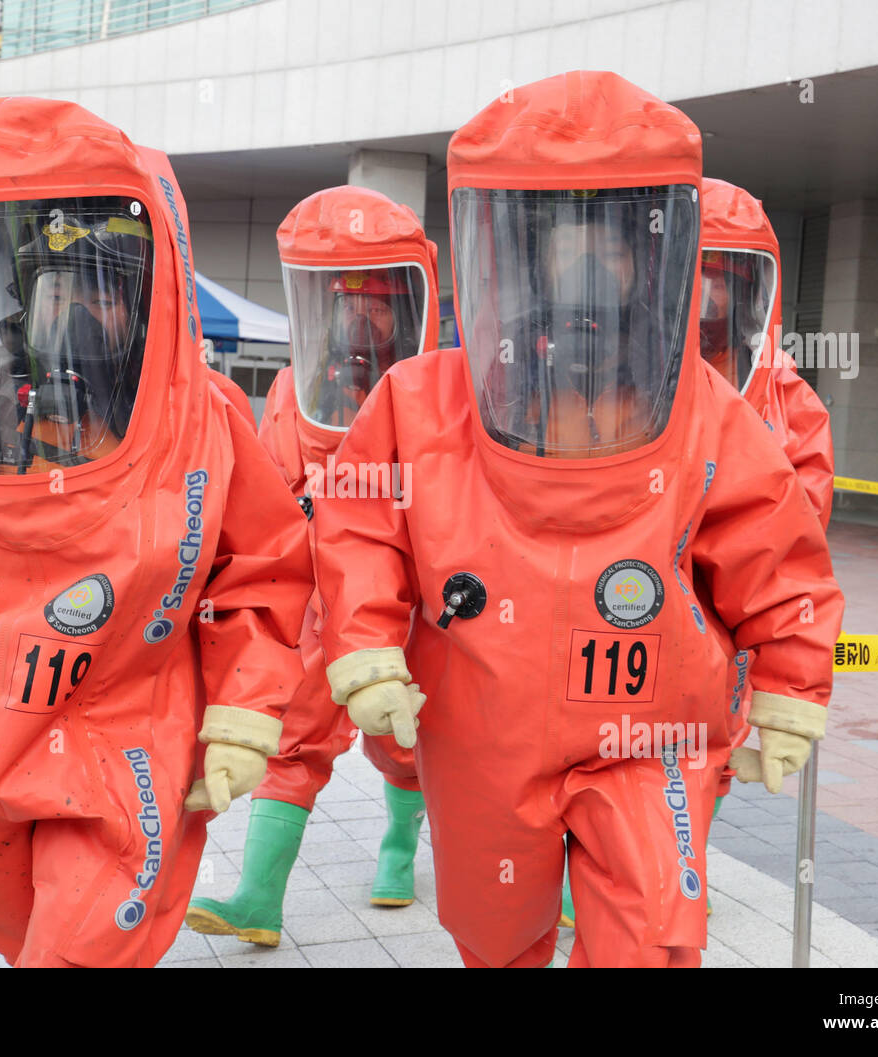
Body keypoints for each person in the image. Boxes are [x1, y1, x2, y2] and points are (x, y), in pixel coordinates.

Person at [312, 71, 844, 968]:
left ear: (653, 257)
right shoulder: (423, 401)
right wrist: (365, 646)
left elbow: (775, 550)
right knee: (494, 934)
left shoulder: (705, 411)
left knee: (655, 931)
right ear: (521, 251)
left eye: (614, 242)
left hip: (651, 727)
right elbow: (360, 525)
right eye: (567, 240)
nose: (591, 268)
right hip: (485, 727)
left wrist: (794, 683)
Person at [0, 96, 314, 968]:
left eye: (100, 292)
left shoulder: (208, 423)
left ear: (147, 301)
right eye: (55, 287)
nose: (73, 312)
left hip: (133, 738)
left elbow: (260, 569)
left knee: (80, 940)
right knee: (10, 921)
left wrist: (243, 709)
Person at [184, 186, 438, 947]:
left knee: (400, 738)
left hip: (407, 599)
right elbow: (269, 485)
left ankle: (397, 845)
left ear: (410, 302)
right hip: (324, 596)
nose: (361, 321)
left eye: (380, 303)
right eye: (343, 300)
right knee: (294, 735)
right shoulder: (295, 387)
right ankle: (258, 897)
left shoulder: (433, 388)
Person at [697, 176, 836, 898]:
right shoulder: (629, 372)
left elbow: (804, 519)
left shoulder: (787, 397)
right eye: (698, 276)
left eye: (726, 279)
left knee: (714, 739)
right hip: (639, 586)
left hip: (733, 608)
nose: (710, 298)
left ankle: (681, 865)